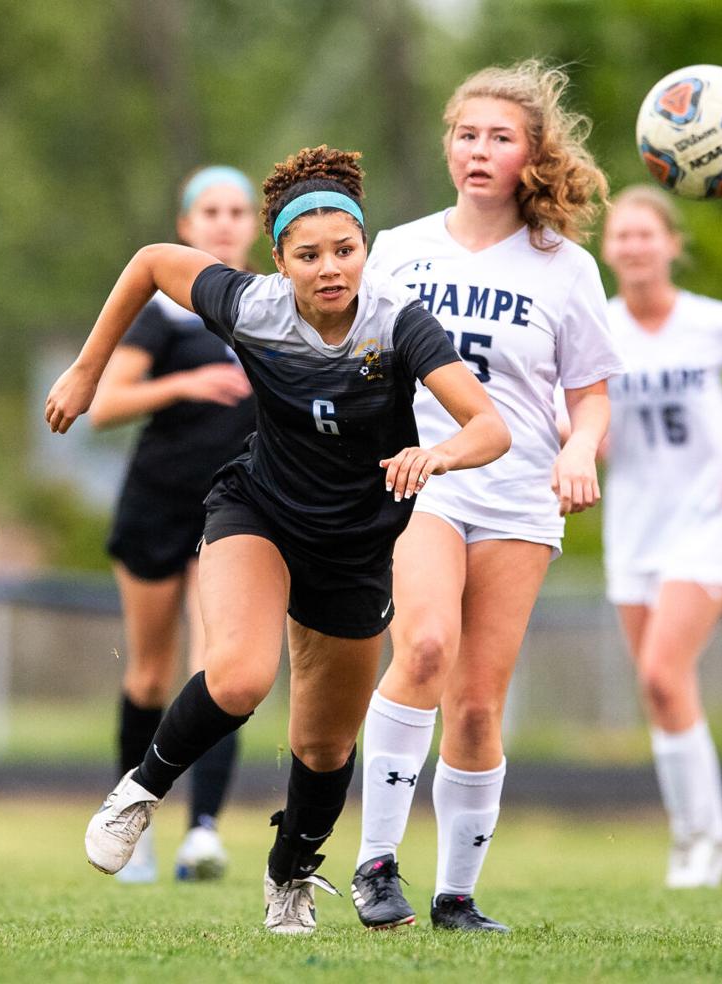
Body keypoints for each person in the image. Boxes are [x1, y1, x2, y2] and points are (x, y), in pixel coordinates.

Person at [44, 145, 510, 936]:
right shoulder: (252, 305)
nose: (330, 268)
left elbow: (490, 427)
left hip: (356, 546)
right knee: (238, 677)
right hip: (257, 512)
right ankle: (139, 793)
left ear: (365, 249)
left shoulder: (398, 323)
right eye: (309, 255)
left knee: (325, 745)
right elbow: (154, 261)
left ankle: (288, 876)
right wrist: (89, 372)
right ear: (279, 261)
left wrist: (436, 453)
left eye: (345, 250)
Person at [351, 61, 624, 933]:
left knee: (476, 702)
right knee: (424, 646)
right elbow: (355, 363)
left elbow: (590, 392)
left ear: (531, 156)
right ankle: (375, 865)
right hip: (420, 479)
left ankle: (456, 897)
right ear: (447, 144)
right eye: (466, 134)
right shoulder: (396, 248)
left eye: (500, 138)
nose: (479, 151)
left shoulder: (567, 268)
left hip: (518, 497)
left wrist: (581, 448)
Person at [598, 184, 722, 888]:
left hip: (710, 521)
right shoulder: (598, 328)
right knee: (665, 692)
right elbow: (588, 423)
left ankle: (699, 842)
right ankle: (709, 840)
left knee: (660, 673)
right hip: (636, 528)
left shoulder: (716, 326)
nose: (635, 246)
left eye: (648, 234)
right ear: (607, 249)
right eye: (622, 236)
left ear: (673, 244)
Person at [89, 166, 259, 885]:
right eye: (209, 211)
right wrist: (187, 382)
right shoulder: (163, 314)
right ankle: (135, 830)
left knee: (219, 665)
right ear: (185, 226)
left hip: (236, 512)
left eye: (237, 211)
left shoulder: (269, 307)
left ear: (256, 225)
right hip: (157, 506)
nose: (223, 222)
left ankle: (205, 831)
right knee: (152, 672)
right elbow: (105, 404)